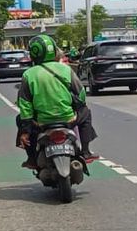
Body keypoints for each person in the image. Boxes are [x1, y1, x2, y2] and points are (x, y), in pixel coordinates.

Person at [16, 34, 98, 168]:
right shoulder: (65, 69)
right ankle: (85, 151)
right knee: (86, 113)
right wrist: (76, 109)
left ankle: (31, 158)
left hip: (41, 122)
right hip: (68, 119)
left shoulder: (28, 74)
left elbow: (25, 105)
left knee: (20, 120)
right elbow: (81, 94)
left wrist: (25, 131)